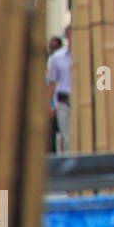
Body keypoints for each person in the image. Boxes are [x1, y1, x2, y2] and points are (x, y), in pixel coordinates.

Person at [46, 25, 72, 153]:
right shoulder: (57, 58)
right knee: (66, 138)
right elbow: (52, 82)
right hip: (64, 101)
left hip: (87, 100)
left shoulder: (93, 54)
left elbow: (104, 75)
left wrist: (105, 91)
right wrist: (48, 103)